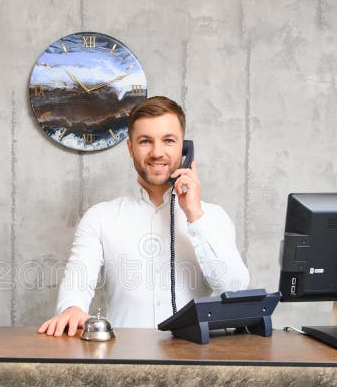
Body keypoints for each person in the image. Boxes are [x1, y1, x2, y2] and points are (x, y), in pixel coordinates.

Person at [38, 96, 249, 337]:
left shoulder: (212, 217)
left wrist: (194, 214)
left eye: (169, 141)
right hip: (124, 365)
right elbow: (77, 283)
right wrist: (72, 308)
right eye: (145, 141)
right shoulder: (100, 218)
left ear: (184, 148)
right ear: (131, 148)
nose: (157, 153)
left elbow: (235, 289)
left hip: (195, 364)